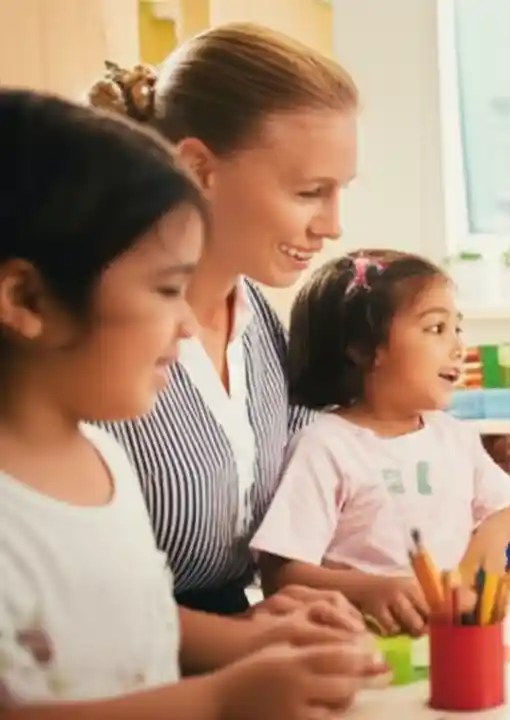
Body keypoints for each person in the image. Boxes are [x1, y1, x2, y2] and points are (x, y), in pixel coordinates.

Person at [88, 24, 510, 615]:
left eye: (341, 192)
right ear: (200, 168)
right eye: (310, 192)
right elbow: (63, 601)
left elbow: (361, 493)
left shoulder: (259, 323)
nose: (334, 225)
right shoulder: (98, 335)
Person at [0, 88, 381, 720]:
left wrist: (255, 638)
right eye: (167, 289)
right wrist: (219, 700)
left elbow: (133, 617)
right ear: (27, 300)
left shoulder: (98, 459)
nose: (186, 326)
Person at [251, 251, 510, 636]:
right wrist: (370, 591)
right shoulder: (326, 446)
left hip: (452, 635)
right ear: (365, 349)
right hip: (361, 647)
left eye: (457, 329)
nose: (457, 347)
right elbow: (280, 576)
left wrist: (489, 539)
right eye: (435, 329)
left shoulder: (452, 435)